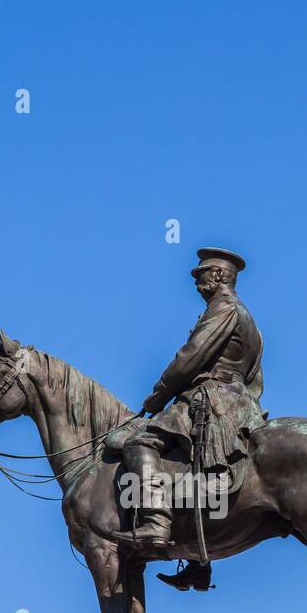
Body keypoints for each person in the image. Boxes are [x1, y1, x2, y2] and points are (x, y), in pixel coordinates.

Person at [107, 248, 266, 590]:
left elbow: (191, 357)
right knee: (189, 467)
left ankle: (156, 522)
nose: (196, 281)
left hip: (212, 399)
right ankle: (198, 561)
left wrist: (160, 391)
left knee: (139, 442)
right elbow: (255, 378)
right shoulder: (250, 319)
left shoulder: (223, 308)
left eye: (201, 274)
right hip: (239, 401)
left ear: (220, 277)